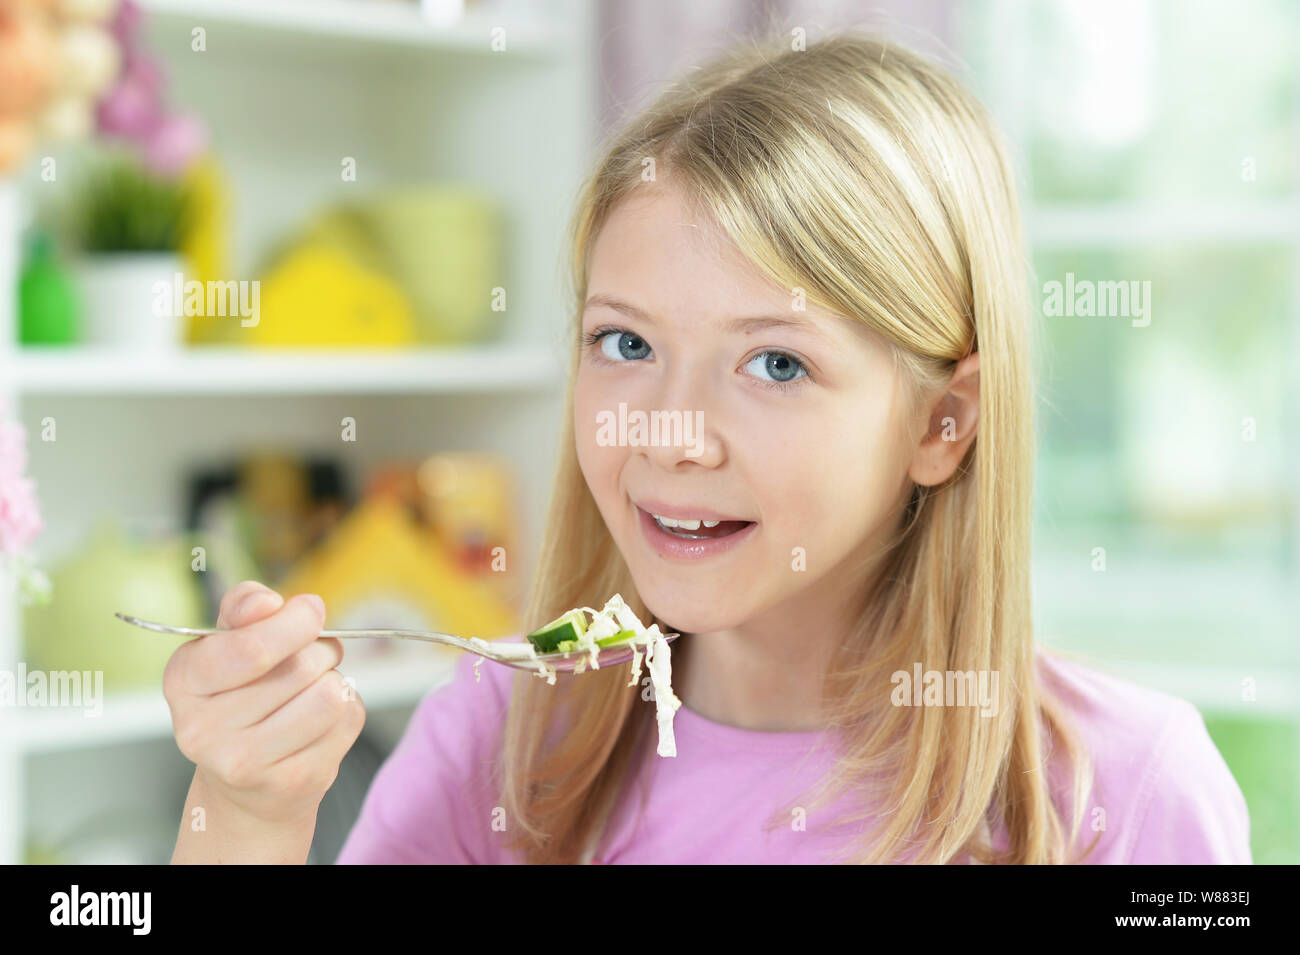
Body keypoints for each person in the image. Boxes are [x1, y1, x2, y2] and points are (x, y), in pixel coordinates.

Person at [166, 29, 1251, 865]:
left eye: (774, 363)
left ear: (941, 422)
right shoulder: (508, 736)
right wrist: (247, 815)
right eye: (625, 342)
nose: (665, 434)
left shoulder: (1122, 790)